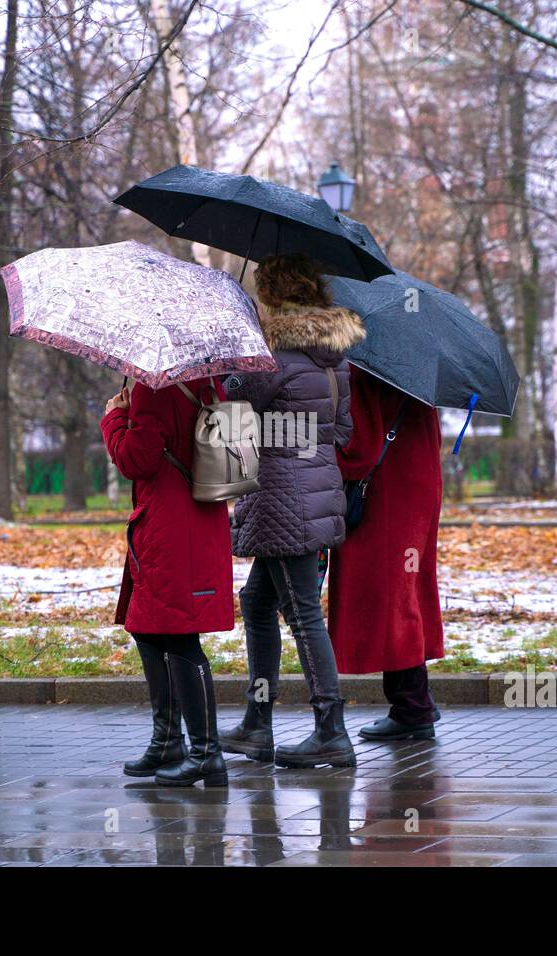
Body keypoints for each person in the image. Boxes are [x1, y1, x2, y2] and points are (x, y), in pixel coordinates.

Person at [218, 252, 365, 769]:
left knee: (302, 613)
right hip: (317, 495)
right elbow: (340, 435)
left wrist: (236, 350)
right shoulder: (337, 361)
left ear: (275, 296)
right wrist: (301, 440)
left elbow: (231, 403)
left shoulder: (271, 357)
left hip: (281, 498)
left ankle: (331, 729)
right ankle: (258, 723)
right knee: (258, 603)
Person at [101, 377, 234, 787]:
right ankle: (167, 741)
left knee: (178, 636)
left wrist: (114, 419)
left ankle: (206, 752)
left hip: (170, 526)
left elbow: (135, 461)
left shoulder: (153, 387)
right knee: (147, 628)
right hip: (195, 519)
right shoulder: (210, 379)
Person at [328, 366, 444, 740]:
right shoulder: (420, 374)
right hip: (417, 484)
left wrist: (325, 453)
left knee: (390, 598)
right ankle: (413, 700)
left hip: (385, 495)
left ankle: (414, 707)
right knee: (407, 592)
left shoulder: (368, 372)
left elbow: (359, 452)